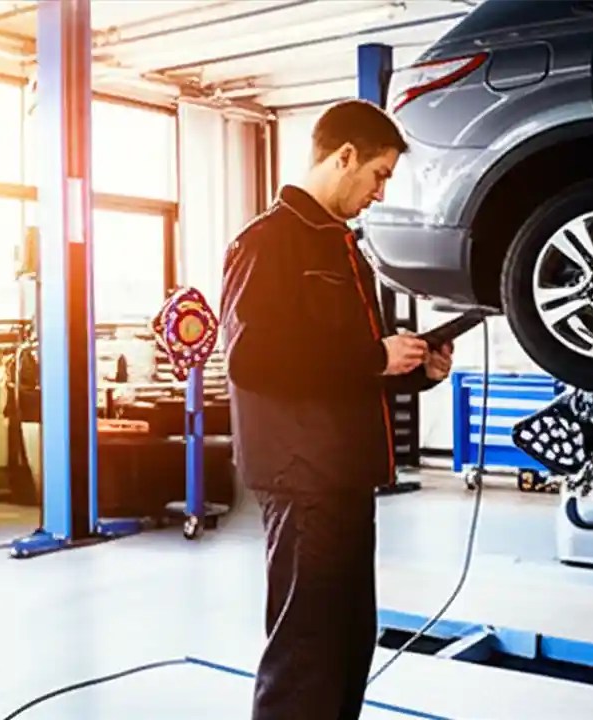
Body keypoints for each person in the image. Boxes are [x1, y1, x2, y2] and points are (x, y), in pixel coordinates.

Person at [219, 99, 455, 720]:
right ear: (343, 157)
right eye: (378, 174)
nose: (380, 192)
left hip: (346, 478)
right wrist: (372, 358)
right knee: (307, 650)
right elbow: (251, 360)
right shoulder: (266, 243)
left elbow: (352, 369)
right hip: (304, 480)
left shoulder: (342, 250)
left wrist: (413, 371)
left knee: (349, 643)